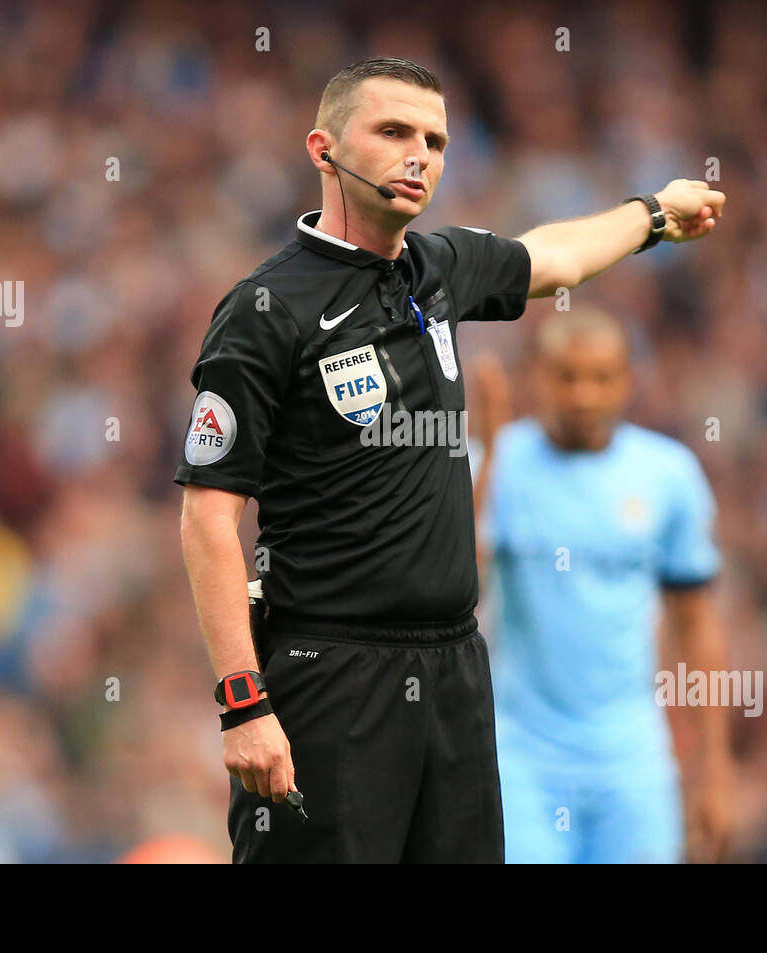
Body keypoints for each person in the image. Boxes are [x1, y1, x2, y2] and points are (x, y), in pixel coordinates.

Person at [175, 56, 726, 863]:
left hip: (455, 672)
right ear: (323, 148)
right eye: (394, 131)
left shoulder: (437, 270)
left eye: (434, 139)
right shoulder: (265, 309)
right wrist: (242, 704)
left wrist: (654, 215)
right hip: (331, 671)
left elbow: (556, 257)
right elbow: (208, 516)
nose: (419, 155)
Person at [475, 305, 736, 863]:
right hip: (521, 759)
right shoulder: (497, 463)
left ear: (628, 380)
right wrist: (489, 457)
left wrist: (714, 768)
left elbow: (697, 626)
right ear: (538, 377)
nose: (583, 395)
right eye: (566, 376)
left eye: (601, 377)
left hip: (631, 760)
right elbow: (458, 588)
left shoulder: (668, 475)